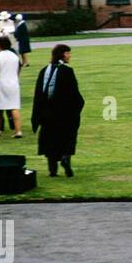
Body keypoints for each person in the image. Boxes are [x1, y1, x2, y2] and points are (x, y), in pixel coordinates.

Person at [32, 44, 85, 177]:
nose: (70, 55)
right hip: (64, 113)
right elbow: (74, 93)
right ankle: (66, 158)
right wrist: (78, 107)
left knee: (50, 139)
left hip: (47, 113)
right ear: (62, 54)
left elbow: (38, 94)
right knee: (67, 137)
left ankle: (52, 170)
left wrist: (37, 115)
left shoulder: (44, 71)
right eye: (68, 53)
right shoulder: (67, 71)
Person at [0, 35, 23, 139]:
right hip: (14, 83)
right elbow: (18, 69)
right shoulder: (15, 56)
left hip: (2, 83)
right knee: (14, 107)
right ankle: (18, 131)